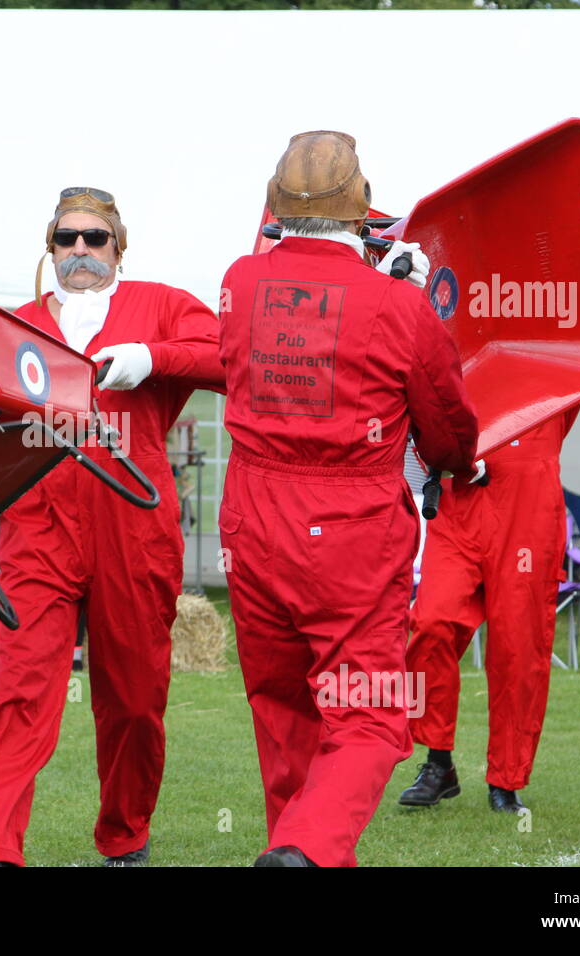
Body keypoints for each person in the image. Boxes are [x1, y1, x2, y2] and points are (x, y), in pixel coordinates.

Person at [217, 131, 478, 867]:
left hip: (252, 515)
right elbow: (448, 425)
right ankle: (305, 846)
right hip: (350, 527)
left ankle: (300, 842)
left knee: (282, 708)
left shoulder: (239, 282)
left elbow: (246, 351)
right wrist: (406, 299)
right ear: (364, 207)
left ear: (272, 206)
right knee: (371, 716)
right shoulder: (396, 305)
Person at [0, 186, 225, 867]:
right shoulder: (11, 322)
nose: (79, 251)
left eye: (94, 238)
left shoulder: (164, 306)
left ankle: (125, 833)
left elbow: (234, 358)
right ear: (49, 248)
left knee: (135, 699)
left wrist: (157, 357)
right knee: (20, 687)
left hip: (132, 524)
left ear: (119, 244)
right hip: (38, 526)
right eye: (65, 239)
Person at [400, 410, 577, 814]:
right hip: (459, 503)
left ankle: (506, 781)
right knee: (431, 623)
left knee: (519, 649)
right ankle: (438, 762)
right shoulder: (455, 353)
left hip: (527, 514)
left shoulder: (553, 363)